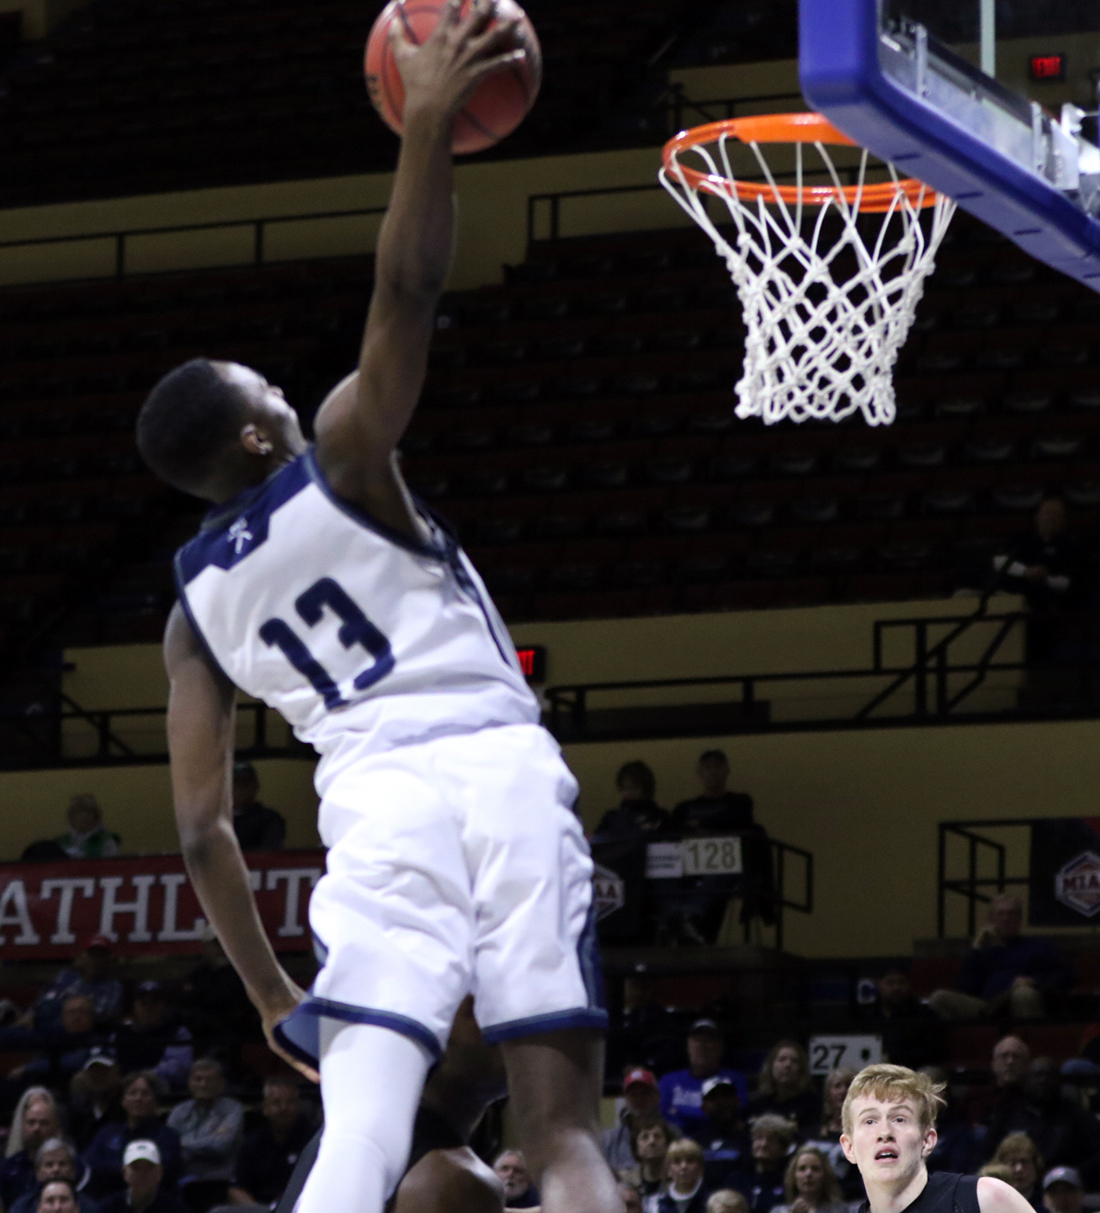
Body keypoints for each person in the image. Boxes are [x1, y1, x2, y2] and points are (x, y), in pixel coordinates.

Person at [140, 12, 618, 1213]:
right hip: (496, 768)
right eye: (270, 388)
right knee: (558, 1126)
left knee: (361, 1127)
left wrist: (261, 993)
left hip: (374, 804)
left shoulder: (191, 611)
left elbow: (203, 832)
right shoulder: (346, 458)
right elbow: (405, 284)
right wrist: (424, 127)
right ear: (259, 432)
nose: (291, 390)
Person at [838, 1063, 1036, 1213]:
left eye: (899, 1119)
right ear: (849, 1148)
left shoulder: (983, 1198)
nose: (885, 1132)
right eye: (870, 1121)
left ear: (928, 1140)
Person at [928, 896, 1070, 1021]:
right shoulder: (982, 952)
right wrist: (977, 949)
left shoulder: (1038, 946)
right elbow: (965, 988)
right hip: (988, 1006)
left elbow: (1063, 977)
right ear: (991, 919)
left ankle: (1023, 1046)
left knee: (1023, 994)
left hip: (1022, 998)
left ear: (1019, 919)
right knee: (938, 998)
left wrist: (1034, 982)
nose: (1005, 918)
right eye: (1000, 914)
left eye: (1011, 913)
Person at [982, 1058, 1100, 1185]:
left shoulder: (1077, 1116)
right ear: (1026, 1081)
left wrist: (1072, 1175)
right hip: (1014, 1185)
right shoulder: (1008, 1115)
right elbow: (986, 1155)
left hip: (1062, 1188)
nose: (1043, 1080)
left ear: (1059, 1081)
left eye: (1049, 1076)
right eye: (1037, 1075)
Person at [84, 1070, 182, 1200]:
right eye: (132, 1093)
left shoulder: (168, 1136)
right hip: (109, 1201)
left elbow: (159, 1173)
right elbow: (91, 1164)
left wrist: (115, 1170)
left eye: (145, 1093)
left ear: (155, 1100)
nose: (138, 1098)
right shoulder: (108, 1132)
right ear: (123, 1101)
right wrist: (131, 1169)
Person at [165, 1058, 242, 1211]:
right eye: (198, 1079)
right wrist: (207, 1140)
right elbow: (169, 1145)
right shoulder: (179, 1110)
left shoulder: (233, 1108)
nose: (203, 1085)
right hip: (182, 1176)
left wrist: (184, 1142)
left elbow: (221, 1146)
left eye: (209, 1080)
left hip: (219, 1179)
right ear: (189, 1082)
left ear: (221, 1084)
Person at [227, 1077, 315, 1207]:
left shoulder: (312, 1140)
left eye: (290, 1102)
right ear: (265, 1108)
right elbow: (236, 1189)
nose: (283, 1108)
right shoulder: (253, 1142)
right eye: (276, 1103)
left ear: (298, 1105)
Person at [13, 936, 123, 1031]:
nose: (95, 960)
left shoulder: (111, 986)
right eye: (92, 954)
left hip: (77, 1034)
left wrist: (62, 1009)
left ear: (109, 960)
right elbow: (43, 998)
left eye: (101, 956)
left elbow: (102, 1014)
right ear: (82, 956)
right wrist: (31, 1013)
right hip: (40, 1024)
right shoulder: (65, 975)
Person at [660, 1021, 749, 1137]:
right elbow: (663, 1115)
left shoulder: (735, 1080)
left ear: (720, 1047)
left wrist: (678, 1110)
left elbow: (728, 1117)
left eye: (709, 1041)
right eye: (697, 1040)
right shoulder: (668, 1081)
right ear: (688, 1047)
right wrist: (708, 1113)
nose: (702, 1046)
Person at [110, 983, 194, 1093]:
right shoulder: (119, 1034)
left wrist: (145, 1076)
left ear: (163, 1006)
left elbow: (180, 1066)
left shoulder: (177, 1032)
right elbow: (109, 1060)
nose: (149, 1008)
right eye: (143, 1003)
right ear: (134, 1006)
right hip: (123, 1088)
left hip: (161, 1088)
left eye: (154, 1003)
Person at [863, 970, 944, 1071]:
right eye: (890, 983)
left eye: (901, 982)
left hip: (914, 1070)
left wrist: (893, 1057)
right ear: (879, 985)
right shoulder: (867, 1015)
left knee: (931, 1073)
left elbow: (934, 1052)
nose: (896, 987)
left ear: (909, 985)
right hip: (873, 1070)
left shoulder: (924, 1015)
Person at [1, 1090, 64, 1210]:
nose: (36, 1128)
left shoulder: (69, 1165)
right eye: (31, 1122)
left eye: (43, 1123)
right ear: (23, 1127)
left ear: (56, 1128)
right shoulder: (7, 1168)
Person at [671, 753, 754, 834]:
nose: (712, 771)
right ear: (699, 772)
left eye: (718, 766)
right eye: (707, 767)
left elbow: (738, 821)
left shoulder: (740, 802)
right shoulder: (684, 808)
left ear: (727, 771)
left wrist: (700, 823)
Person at [97, 1141, 188, 1213]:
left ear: (160, 1172)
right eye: (135, 1168)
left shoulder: (175, 1209)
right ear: (124, 1172)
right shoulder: (109, 1207)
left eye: (149, 1167)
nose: (142, 1174)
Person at [693, 1077, 750, 1192]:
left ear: (737, 1101)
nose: (722, 1103)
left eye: (726, 1096)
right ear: (704, 1107)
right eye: (714, 1098)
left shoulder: (750, 1137)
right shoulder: (697, 1140)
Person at [746, 1042, 818, 1132]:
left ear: (801, 1070)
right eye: (782, 1060)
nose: (787, 1065)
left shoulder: (812, 1104)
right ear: (771, 1065)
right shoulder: (755, 1104)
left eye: (794, 1061)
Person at [7, 1139, 94, 1213]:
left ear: (73, 1170)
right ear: (38, 1173)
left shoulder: (89, 1208)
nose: (56, 1169)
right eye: (49, 1165)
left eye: (62, 1164)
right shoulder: (22, 1207)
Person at [592, 762, 670, 840]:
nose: (629, 792)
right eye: (625, 788)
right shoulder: (612, 819)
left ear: (646, 788)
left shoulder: (660, 817)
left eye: (634, 788)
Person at [604, 1068, 662, 1172]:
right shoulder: (610, 1140)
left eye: (644, 1094)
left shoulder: (672, 1135)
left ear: (656, 1097)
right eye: (633, 1094)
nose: (639, 1099)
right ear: (625, 1098)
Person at [68, 1048, 124, 1151]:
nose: (98, 1075)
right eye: (93, 1070)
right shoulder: (76, 1108)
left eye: (104, 1070)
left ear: (116, 1072)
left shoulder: (125, 1107)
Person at [230, 761, 286, 852]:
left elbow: (269, 853)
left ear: (255, 786)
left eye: (246, 783)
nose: (241, 787)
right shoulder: (216, 820)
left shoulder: (270, 819)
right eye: (236, 782)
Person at [770, 1147, 847, 1213]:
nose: (808, 1174)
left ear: (825, 1175)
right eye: (802, 1169)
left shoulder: (840, 1210)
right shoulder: (778, 1211)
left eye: (815, 1169)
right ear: (793, 1175)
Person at [743, 1115, 794, 1213]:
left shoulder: (790, 1183)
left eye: (771, 1140)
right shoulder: (738, 1179)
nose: (764, 1144)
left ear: (784, 1148)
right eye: (759, 1138)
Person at [626, 1118, 676, 1205]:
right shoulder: (627, 1182)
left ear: (667, 1145)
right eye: (645, 1137)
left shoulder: (678, 1180)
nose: (652, 1141)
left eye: (657, 1136)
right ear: (636, 1148)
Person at [55, 794, 120, 859]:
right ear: (70, 818)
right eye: (78, 813)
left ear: (96, 818)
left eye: (88, 813)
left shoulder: (105, 841)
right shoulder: (62, 842)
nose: (84, 817)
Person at [655, 1138, 712, 1213]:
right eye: (677, 1161)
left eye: (690, 1161)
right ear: (669, 1170)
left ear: (700, 1168)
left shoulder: (710, 1201)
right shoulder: (660, 1204)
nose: (683, 1166)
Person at [990, 1135, 1044, 1211]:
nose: (1019, 1169)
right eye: (1012, 1163)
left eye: (1024, 1162)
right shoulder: (990, 1201)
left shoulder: (1047, 1202)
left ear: (1035, 1165)